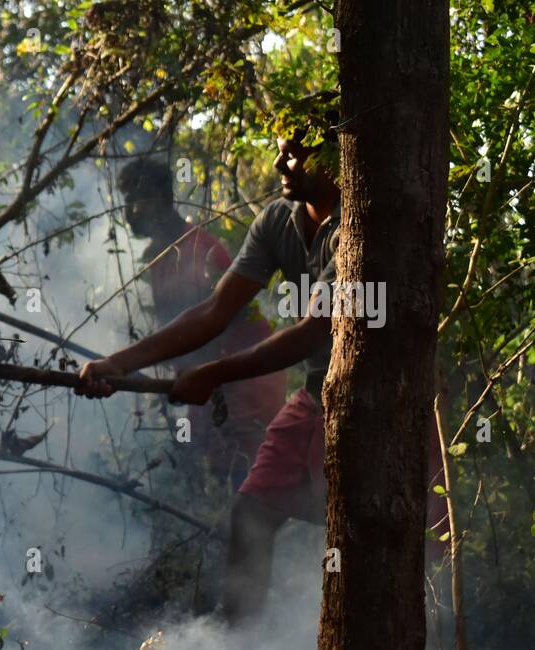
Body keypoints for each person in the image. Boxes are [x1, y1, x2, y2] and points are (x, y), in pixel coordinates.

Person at [78, 129, 443, 624]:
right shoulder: (278, 222)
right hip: (318, 399)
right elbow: (213, 311)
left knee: (404, 552)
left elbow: (314, 331)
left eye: (296, 152)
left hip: (391, 411)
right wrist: (118, 363)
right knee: (251, 515)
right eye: (281, 150)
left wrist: (213, 372)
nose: (281, 163)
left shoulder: (362, 229)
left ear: (337, 156)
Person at [114, 157, 287, 489]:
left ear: (162, 199)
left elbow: (218, 320)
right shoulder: (161, 257)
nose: (130, 211)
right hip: (211, 387)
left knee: (245, 491)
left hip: (243, 384)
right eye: (126, 201)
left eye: (136, 199)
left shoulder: (200, 250)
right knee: (214, 486)